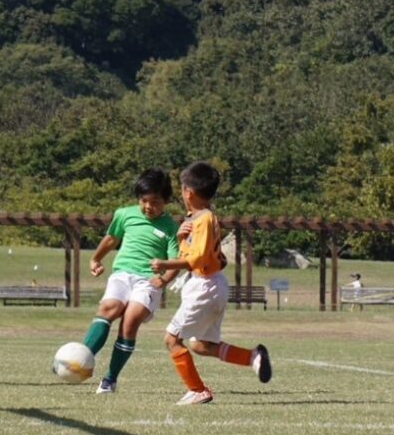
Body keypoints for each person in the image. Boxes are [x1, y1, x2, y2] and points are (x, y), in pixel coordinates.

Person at [150, 161, 271, 404]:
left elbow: (198, 259)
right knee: (201, 345)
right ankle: (253, 357)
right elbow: (211, 257)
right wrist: (181, 239)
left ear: (188, 192)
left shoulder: (204, 219)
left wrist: (165, 264)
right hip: (210, 284)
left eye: (182, 189)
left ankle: (197, 390)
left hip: (204, 286)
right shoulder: (199, 219)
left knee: (171, 340)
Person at [79, 168, 181, 394]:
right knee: (108, 307)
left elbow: (175, 261)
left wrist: (164, 280)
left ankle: (110, 379)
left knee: (130, 320)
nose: (148, 206)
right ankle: (80, 360)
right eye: (144, 200)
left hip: (148, 281)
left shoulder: (171, 227)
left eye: (155, 202)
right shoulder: (124, 214)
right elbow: (111, 239)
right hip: (122, 274)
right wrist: (95, 259)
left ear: (166, 201)